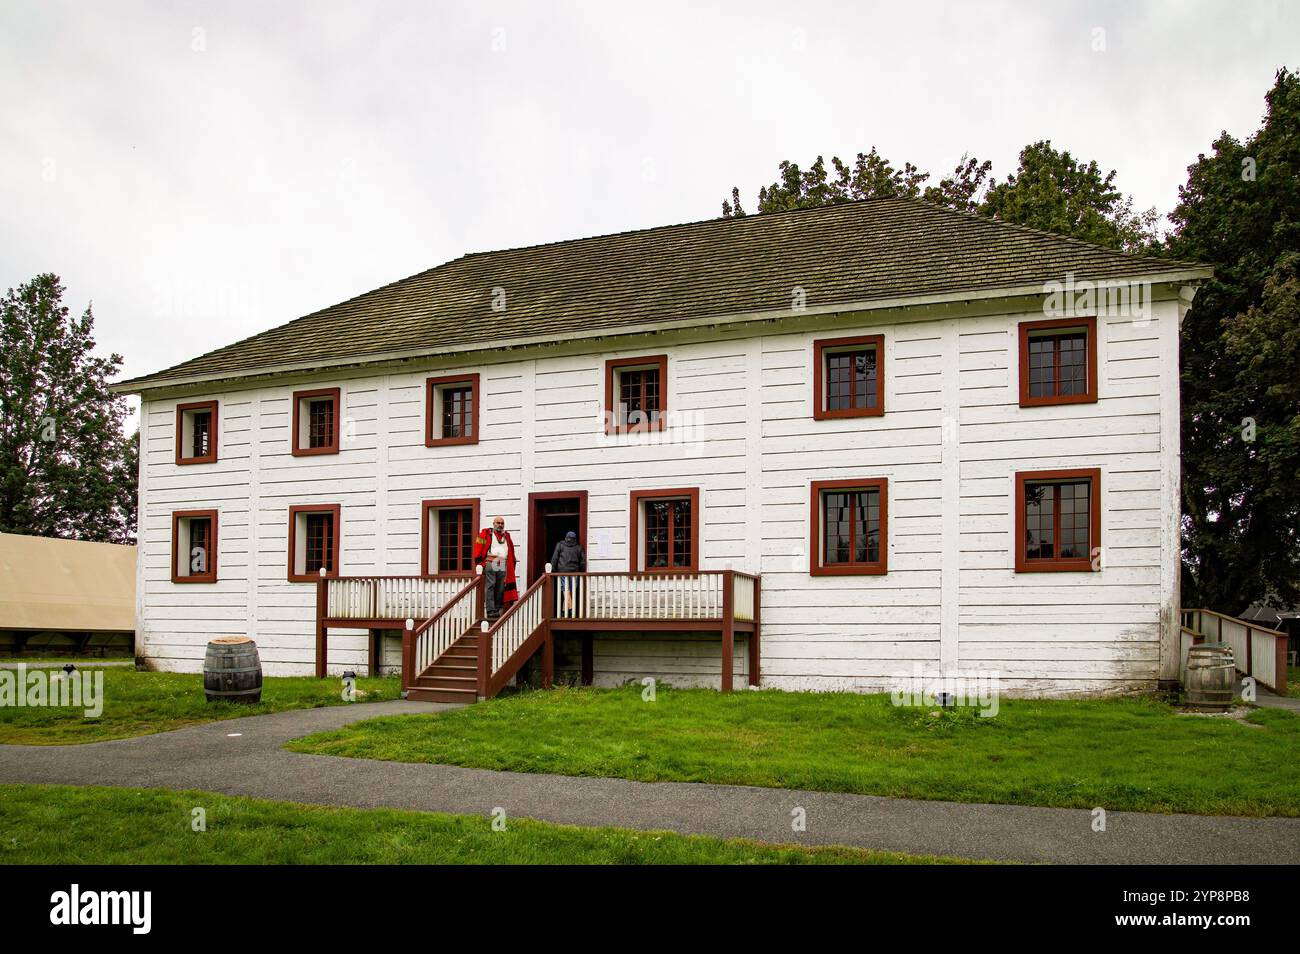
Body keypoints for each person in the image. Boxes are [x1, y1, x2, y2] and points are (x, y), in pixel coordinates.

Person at [474, 516, 518, 619]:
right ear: (493, 523)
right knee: (491, 585)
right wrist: (480, 563)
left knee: (500, 587)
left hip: (502, 562)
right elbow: (477, 545)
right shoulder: (485, 533)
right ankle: (490, 610)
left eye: (502, 523)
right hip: (490, 561)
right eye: (498, 523)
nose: (500, 525)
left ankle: (497, 609)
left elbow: (511, 549)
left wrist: (511, 562)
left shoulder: (506, 536)